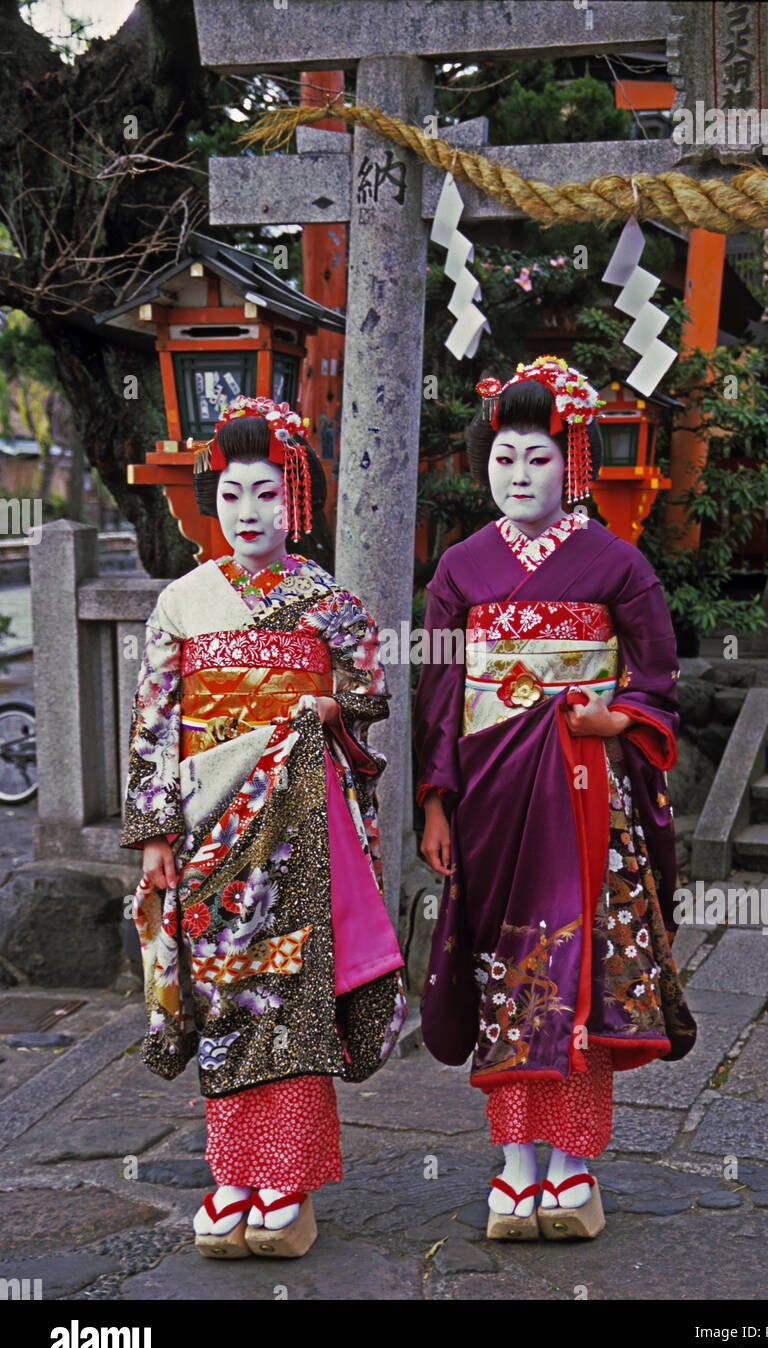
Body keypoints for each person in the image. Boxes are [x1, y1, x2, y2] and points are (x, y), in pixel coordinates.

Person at [414, 355, 697, 1241]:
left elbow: (657, 681)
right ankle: (513, 1161)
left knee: (579, 966)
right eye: (504, 459)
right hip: (490, 790)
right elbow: (439, 695)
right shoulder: (459, 569)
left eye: (537, 458)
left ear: (571, 462)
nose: (519, 477)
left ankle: (571, 1161)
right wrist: (434, 801)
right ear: (484, 462)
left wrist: (616, 721)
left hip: (585, 793)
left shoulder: (616, 562)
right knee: (506, 966)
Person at [121, 395, 405, 1259]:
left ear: (298, 502)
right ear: (213, 503)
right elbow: (154, 723)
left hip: (297, 830)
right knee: (219, 993)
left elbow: (371, 696)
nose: (250, 513)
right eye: (235, 494)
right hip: (209, 820)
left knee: (288, 990)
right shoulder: (182, 601)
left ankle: (288, 1177)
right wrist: (158, 833)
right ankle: (232, 1174)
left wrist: (328, 704)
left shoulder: (332, 605)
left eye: (269, 495)